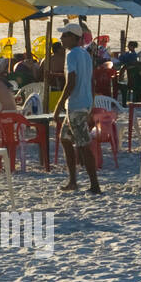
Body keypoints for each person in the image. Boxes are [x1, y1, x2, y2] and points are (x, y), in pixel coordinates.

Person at [53, 23, 100, 194]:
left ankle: (94, 185)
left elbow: (71, 81)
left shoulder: (72, 54)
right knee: (65, 139)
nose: (61, 38)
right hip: (83, 103)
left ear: (73, 37)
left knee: (83, 144)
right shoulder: (85, 54)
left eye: (65, 35)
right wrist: (91, 104)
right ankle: (72, 181)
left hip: (76, 105)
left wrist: (58, 105)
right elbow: (91, 81)